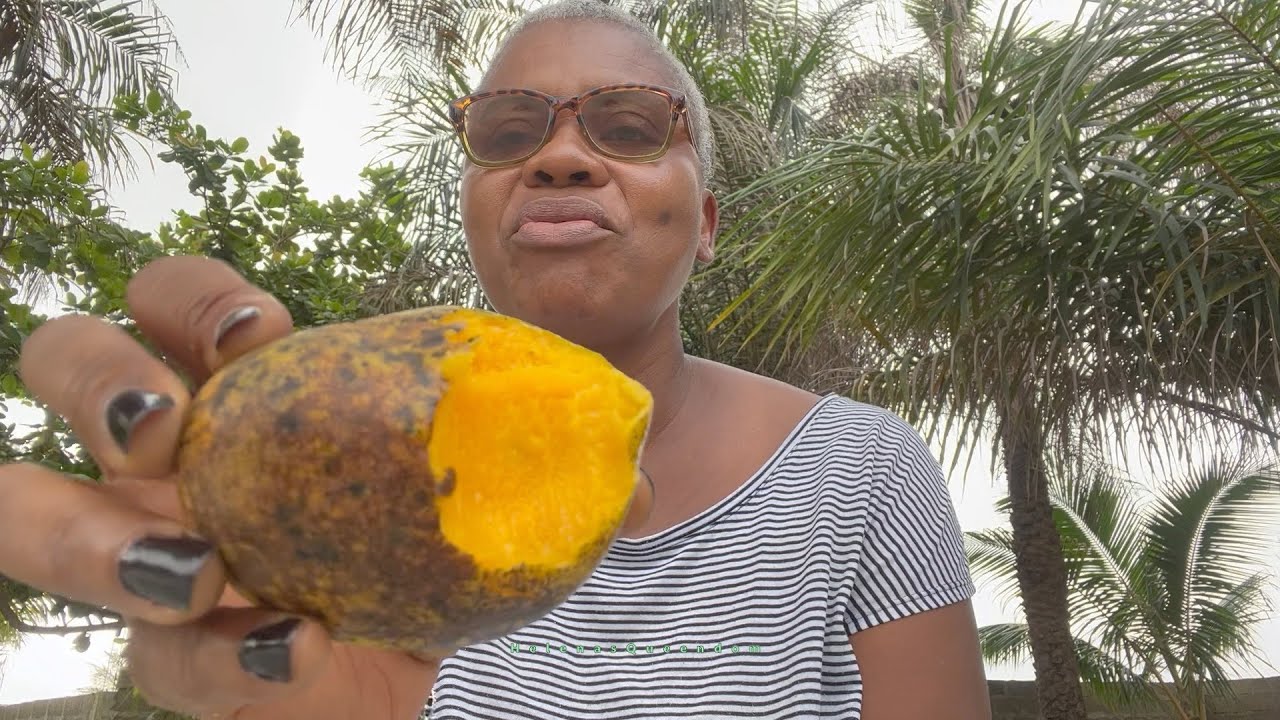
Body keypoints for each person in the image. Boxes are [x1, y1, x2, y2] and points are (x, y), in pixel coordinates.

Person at [0, 1, 992, 718]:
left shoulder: (861, 473)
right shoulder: (351, 526)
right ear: (472, 207)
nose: (559, 156)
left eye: (631, 125)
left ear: (705, 224)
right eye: (508, 128)